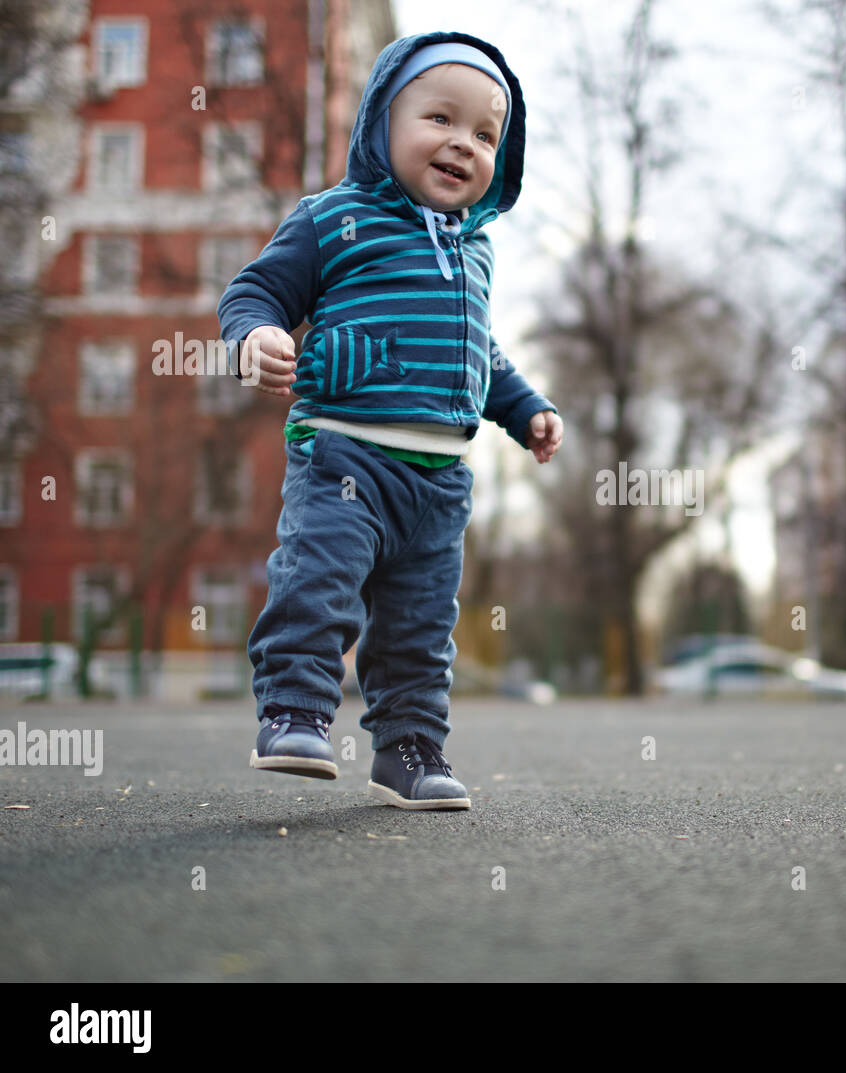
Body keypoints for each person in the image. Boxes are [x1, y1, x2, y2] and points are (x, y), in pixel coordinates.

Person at [218, 31, 562, 810]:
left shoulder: (476, 251)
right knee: (319, 582)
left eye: (484, 134)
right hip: (345, 456)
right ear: (381, 122)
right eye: (439, 118)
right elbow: (254, 291)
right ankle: (294, 711)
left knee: (420, 627)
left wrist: (527, 409)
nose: (462, 144)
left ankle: (409, 750)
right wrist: (257, 335)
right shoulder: (332, 219)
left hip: (439, 481)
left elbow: (481, 355)